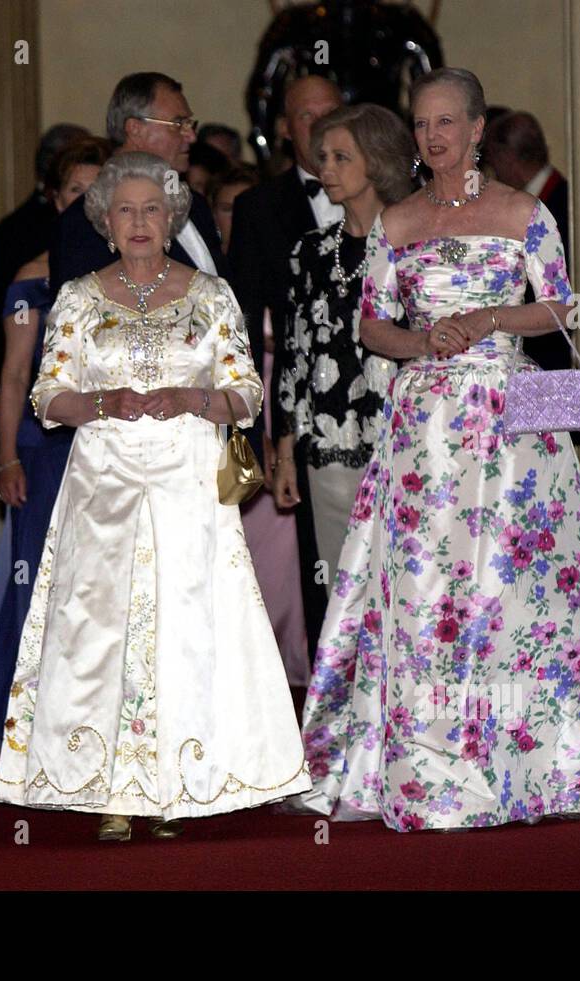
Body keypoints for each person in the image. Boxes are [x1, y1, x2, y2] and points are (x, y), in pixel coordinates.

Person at [297, 69, 580, 830]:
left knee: (521, 587)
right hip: (422, 432)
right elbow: (370, 324)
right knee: (423, 594)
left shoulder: (523, 212)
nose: (433, 136)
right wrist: (421, 340)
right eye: (421, 125)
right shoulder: (397, 222)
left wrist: (487, 320)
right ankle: (426, 765)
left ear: (479, 128)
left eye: (447, 122)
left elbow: (559, 306)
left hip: (508, 424)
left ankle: (538, 758)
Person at [0, 153, 311, 840]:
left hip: (190, 480)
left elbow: (248, 395)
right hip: (102, 480)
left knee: (186, 628)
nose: (139, 223)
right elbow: (47, 395)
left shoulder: (210, 294)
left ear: (172, 219)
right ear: (106, 222)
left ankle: (179, 784)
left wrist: (190, 397)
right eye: (125, 211)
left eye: (152, 210)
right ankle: (112, 790)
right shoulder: (77, 296)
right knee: (99, 630)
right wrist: (104, 399)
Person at [0, 136, 111, 748]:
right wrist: (6, 457)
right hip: (45, 450)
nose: (86, 205)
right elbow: (16, 375)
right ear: (53, 198)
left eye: (97, 194)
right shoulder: (31, 282)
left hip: (110, 449)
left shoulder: (129, 279)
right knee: (41, 582)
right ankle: (34, 722)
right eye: (76, 192)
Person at [274, 103, 414, 596]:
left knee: (405, 584)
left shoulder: (415, 247)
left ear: (376, 161)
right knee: (342, 590)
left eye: (339, 157)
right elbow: (294, 356)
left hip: (405, 439)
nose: (324, 169)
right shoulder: (308, 251)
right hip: (328, 444)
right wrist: (286, 451)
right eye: (322, 157)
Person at [228, 74, 344, 661]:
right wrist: (262, 438)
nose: (321, 126)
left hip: (387, 400)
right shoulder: (259, 208)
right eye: (307, 116)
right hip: (302, 406)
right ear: (283, 128)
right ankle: (330, 691)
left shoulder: (394, 198)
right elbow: (244, 326)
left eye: (332, 113)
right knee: (319, 557)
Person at [47, 74, 230, 364]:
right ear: (135, 129)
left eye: (190, 125)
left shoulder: (195, 207)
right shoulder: (84, 220)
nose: (191, 135)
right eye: (179, 123)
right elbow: (81, 337)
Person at [210, 165, 308, 685]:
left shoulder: (276, 263)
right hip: (233, 414)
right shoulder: (205, 275)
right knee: (238, 532)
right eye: (225, 206)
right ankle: (243, 658)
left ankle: (292, 652)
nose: (235, 216)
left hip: (281, 404)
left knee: (286, 542)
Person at [0, 123, 90, 393]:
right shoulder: (17, 230)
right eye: (76, 189)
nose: (86, 200)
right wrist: (1, 379)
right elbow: (4, 306)